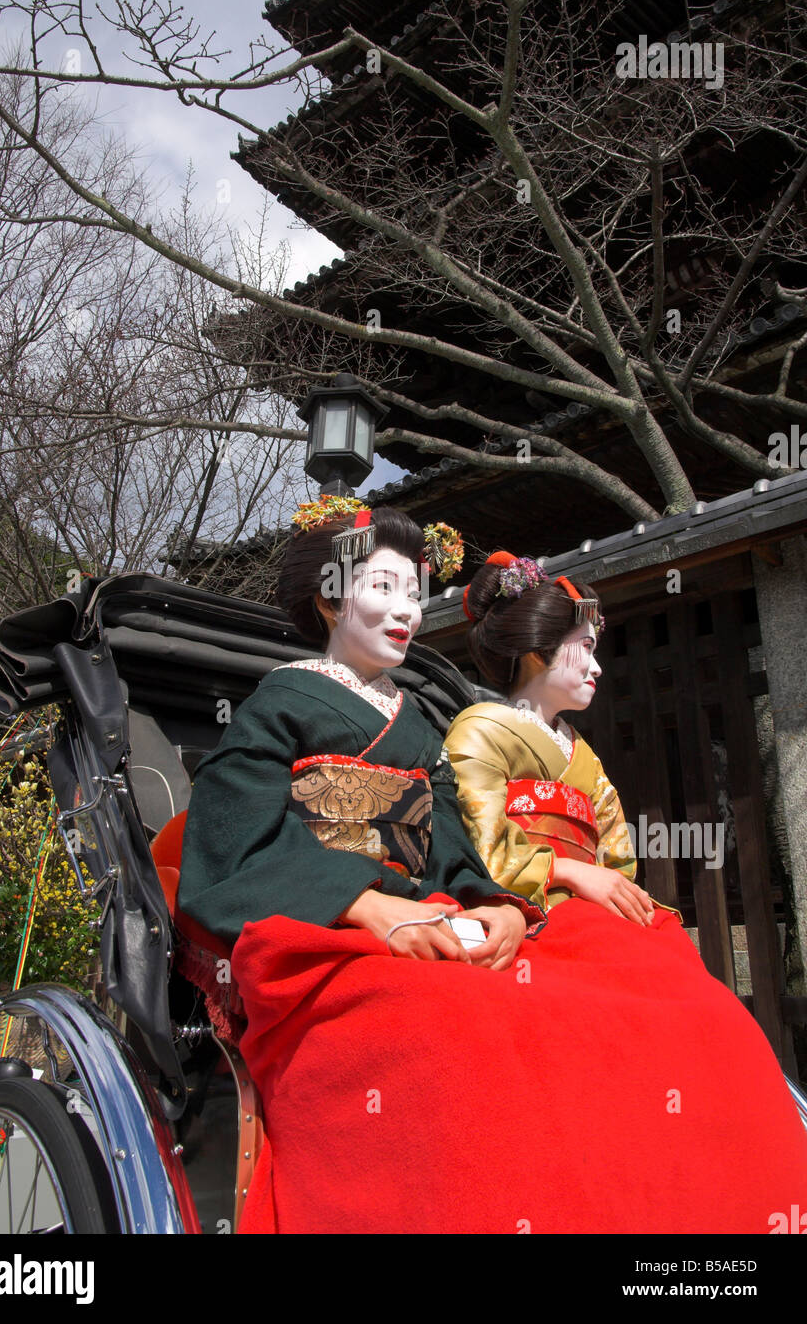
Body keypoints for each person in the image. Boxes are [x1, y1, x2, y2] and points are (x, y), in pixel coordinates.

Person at [178, 502, 543, 1233]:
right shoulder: (278, 704)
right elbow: (231, 848)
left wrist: (495, 904)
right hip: (319, 931)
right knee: (436, 1027)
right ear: (330, 596)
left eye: (415, 592)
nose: (406, 610)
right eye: (383, 587)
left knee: (559, 997)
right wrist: (366, 906)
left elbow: (449, 846)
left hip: (423, 925)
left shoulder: (419, 723)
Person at [444, 550, 807, 1233]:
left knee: (702, 1011)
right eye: (584, 649)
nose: (597, 667)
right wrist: (570, 871)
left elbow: (617, 850)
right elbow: (481, 843)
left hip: (595, 918)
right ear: (534, 651)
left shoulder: (581, 753)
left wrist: (604, 879)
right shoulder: (477, 732)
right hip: (528, 911)